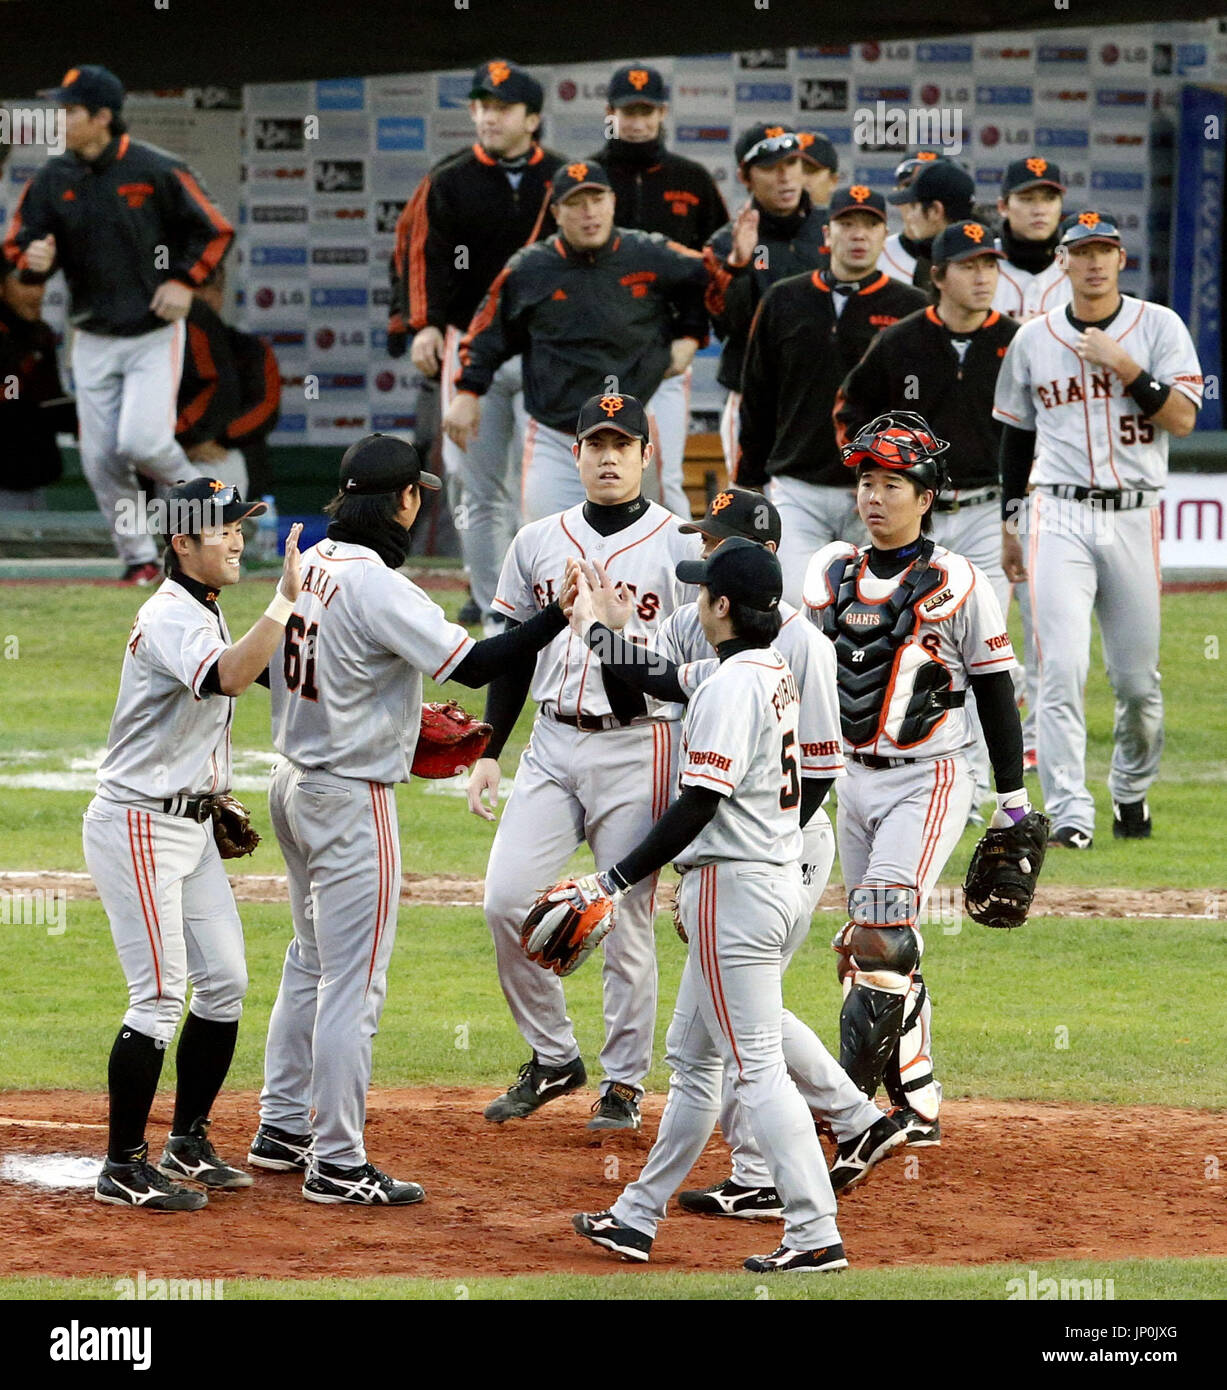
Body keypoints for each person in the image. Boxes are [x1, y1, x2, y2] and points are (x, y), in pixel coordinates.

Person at [250, 433, 579, 1202]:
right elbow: (476, 664)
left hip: (294, 785)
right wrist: (559, 615)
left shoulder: (311, 561)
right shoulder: (376, 584)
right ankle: (335, 1160)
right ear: (402, 500)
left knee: (309, 963)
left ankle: (280, 1129)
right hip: (347, 800)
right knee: (353, 985)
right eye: (416, 494)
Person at [569, 487, 904, 1220]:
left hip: (751, 870)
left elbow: (711, 799)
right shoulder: (753, 668)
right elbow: (659, 678)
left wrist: (615, 878)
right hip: (754, 870)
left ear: (724, 604)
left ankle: (810, 1222)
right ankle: (635, 1217)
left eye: (709, 573)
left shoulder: (775, 665)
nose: (698, 579)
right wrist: (598, 632)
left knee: (753, 1063)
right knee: (698, 1056)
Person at [466, 394, 699, 1133]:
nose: (607, 456)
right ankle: (554, 1056)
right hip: (551, 742)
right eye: (594, 443)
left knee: (623, 917)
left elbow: (701, 665)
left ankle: (624, 1084)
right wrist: (488, 750)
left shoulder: (678, 545)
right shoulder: (536, 540)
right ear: (574, 455)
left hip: (641, 744)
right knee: (505, 900)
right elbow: (512, 648)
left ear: (644, 453)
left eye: (620, 444)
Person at [802, 412, 1029, 1148]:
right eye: (865, 481)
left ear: (924, 496)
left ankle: (853, 1110)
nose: (873, 496)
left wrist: (1012, 802)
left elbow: (994, 688)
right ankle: (917, 1098)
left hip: (926, 779)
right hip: (850, 781)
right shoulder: (829, 573)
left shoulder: (956, 581)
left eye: (891, 483)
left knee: (879, 933)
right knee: (869, 947)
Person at [84, 480, 303, 1210]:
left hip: (191, 824)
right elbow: (233, 676)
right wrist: (285, 600)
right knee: (156, 997)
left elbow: (266, 673)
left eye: (241, 525)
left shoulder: (203, 608)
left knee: (226, 983)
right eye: (224, 529)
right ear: (182, 542)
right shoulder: (169, 614)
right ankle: (122, 1164)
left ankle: (188, 1139)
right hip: (139, 826)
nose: (240, 538)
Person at [993, 214, 1202, 847]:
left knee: (1137, 682)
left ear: (1120, 258)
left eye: (1103, 250)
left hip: (1134, 512)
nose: (1093, 263)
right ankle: (1070, 812)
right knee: (1059, 666)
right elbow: (1016, 435)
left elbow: (1185, 419)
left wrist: (1126, 367)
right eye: (1081, 251)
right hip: (1057, 511)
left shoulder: (1159, 326)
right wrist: (1010, 520)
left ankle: (1131, 792)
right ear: (1063, 261)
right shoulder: (1033, 338)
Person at [2, 65, 234, 583]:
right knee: (99, 457)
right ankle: (139, 560)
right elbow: (20, 242)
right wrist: (31, 260)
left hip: (152, 332)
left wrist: (184, 281)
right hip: (91, 335)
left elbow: (215, 231)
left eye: (69, 111)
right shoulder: (53, 177)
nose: (58, 120)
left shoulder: (156, 168)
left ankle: (216, 505)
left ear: (103, 117)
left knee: (144, 443)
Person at [835, 219, 1020, 819]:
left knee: (981, 652)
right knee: (915, 646)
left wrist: (1021, 503)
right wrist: (877, 478)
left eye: (990, 264)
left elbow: (1038, 427)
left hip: (988, 507)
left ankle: (968, 789)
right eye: (969, 265)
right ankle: (921, 771)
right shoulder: (902, 340)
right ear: (938, 275)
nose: (983, 276)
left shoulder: (1015, 341)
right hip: (917, 508)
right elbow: (850, 409)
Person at [390, 60, 561, 633]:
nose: (489, 116)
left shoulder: (566, 179)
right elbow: (419, 254)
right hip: (471, 344)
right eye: (482, 106)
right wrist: (423, 324)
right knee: (475, 484)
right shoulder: (449, 177)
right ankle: (496, 612)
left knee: (542, 486)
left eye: (503, 107)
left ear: (533, 118)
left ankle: (556, 608)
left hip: (546, 347)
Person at [443, 163, 708, 524]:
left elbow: (710, 275)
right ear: (556, 213)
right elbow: (486, 332)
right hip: (559, 432)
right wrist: (467, 392)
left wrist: (691, 335)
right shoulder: (529, 268)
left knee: (664, 532)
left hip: (637, 421)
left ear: (613, 202)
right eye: (575, 203)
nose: (589, 213)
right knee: (543, 534)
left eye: (597, 199)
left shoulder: (649, 252)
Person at [736, 186, 926, 604]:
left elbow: (922, 408)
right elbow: (757, 398)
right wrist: (748, 482)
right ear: (827, 234)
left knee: (876, 611)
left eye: (870, 224)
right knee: (796, 604)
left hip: (879, 483)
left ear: (883, 235)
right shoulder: (783, 298)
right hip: (796, 484)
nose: (858, 235)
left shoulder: (912, 306)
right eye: (847, 224)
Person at [592, 63, 728, 517]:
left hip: (666, 351)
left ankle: (676, 582)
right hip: (594, 349)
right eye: (628, 110)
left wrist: (691, 337)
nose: (637, 120)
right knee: (593, 469)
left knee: (664, 474)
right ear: (610, 111)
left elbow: (713, 269)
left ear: (662, 112)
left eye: (646, 110)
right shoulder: (587, 178)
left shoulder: (691, 180)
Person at [992, 156, 1075, 773]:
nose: (1039, 206)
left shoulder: (1079, 278)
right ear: (1004, 206)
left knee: (1045, 616)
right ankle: (988, 724)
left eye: (1049, 195)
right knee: (987, 611)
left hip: (1060, 465)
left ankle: (1039, 737)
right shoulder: (981, 271)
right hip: (988, 457)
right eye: (1027, 195)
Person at [703, 125, 827, 470]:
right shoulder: (728, 242)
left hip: (825, 394)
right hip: (755, 398)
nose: (785, 177)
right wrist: (739, 265)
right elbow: (730, 325)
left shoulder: (834, 229)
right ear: (746, 176)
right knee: (751, 507)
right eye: (771, 168)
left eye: (793, 164)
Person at [0, 258, 75, 511]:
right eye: (27, 284)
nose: (38, 293)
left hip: (32, 478)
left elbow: (48, 403)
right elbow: (10, 402)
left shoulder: (38, 334)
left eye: (41, 283)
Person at [881, 159, 975, 290]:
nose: (909, 216)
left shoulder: (930, 264)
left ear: (935, 210)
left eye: (913, 206)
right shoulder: (994, 257)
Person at [794, 130, 840, 218]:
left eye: (809, 171)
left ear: (833, 181)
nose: (800, 180)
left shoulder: (840, 230)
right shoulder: (761, 226)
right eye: (793, 171)